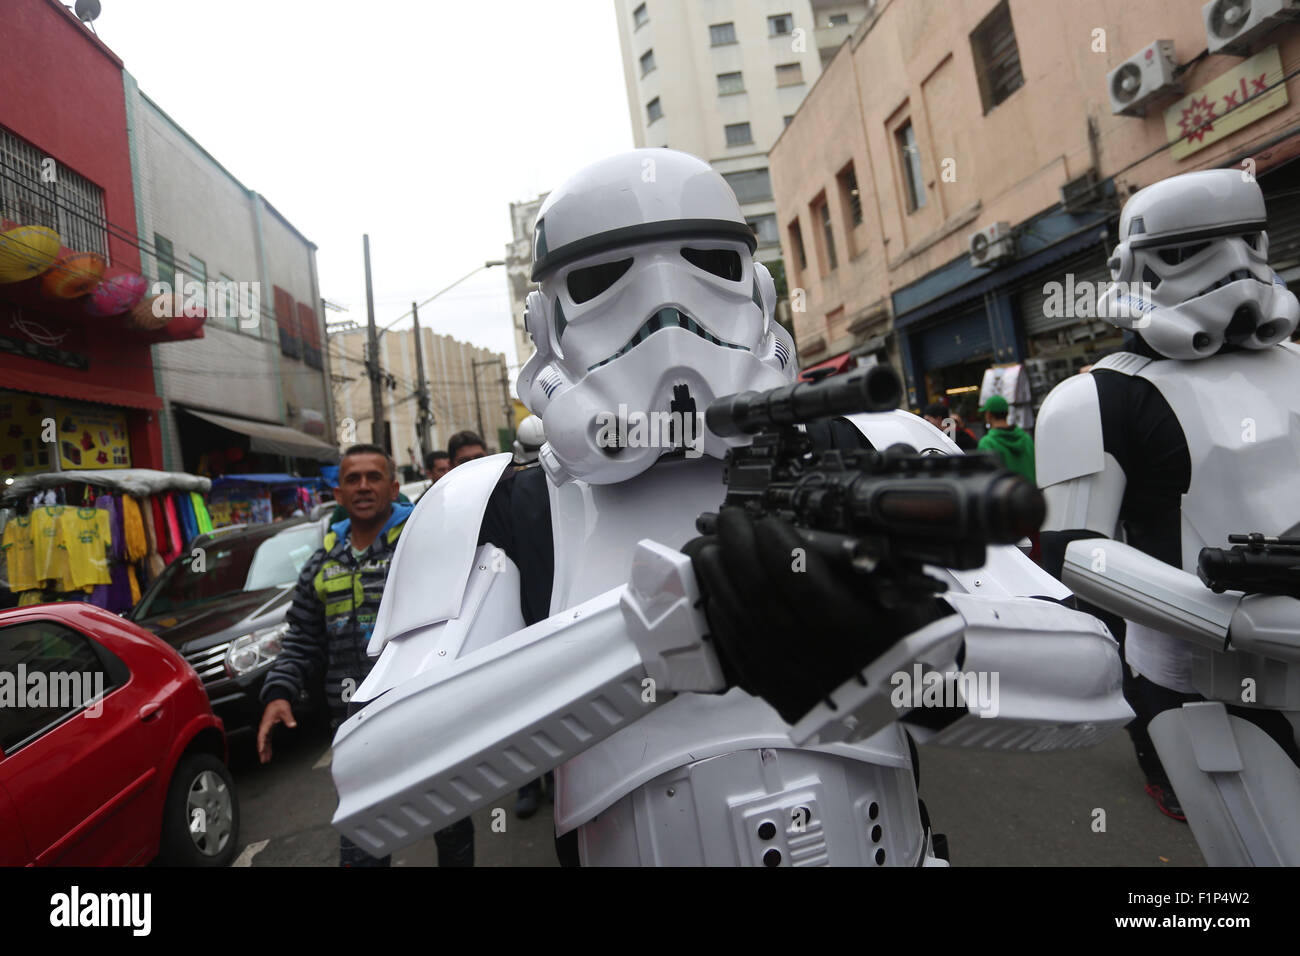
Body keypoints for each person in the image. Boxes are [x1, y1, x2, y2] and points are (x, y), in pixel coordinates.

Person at [329, 148, 1128, 867]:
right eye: (604, 280)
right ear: (545, 323)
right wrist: (662, 640)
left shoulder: (868, 442)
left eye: (707, 264)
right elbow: (377, 781)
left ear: (759, 288)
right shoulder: (497, 503)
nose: (667, 314)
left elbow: (1090, 676)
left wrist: (905, 659)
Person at [1035, 168, 1300, 861]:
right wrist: (1238, 620)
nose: (1237, 269)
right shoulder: (1095, 398)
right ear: (1131, 269)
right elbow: (1072, 550)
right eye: (1193, 252)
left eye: (1248, 242)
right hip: (1203, 680)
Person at [256, 443, 473, 867]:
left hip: (427, 720)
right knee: (362, 848)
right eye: (353, 479)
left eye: (374, 477)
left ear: (394, 488)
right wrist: (279, 691)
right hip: (355, 731)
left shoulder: (424, 548)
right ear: (338, 494)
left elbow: (460, 621)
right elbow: (302, 637)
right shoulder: (320, 565)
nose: (363, 486)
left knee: (451, 833)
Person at [976, 394, 1035, 484]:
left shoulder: (987, 443)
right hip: (1029, 495)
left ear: (988, 415)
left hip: (1005, 497)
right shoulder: (1026, 439)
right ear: (1007, 413)